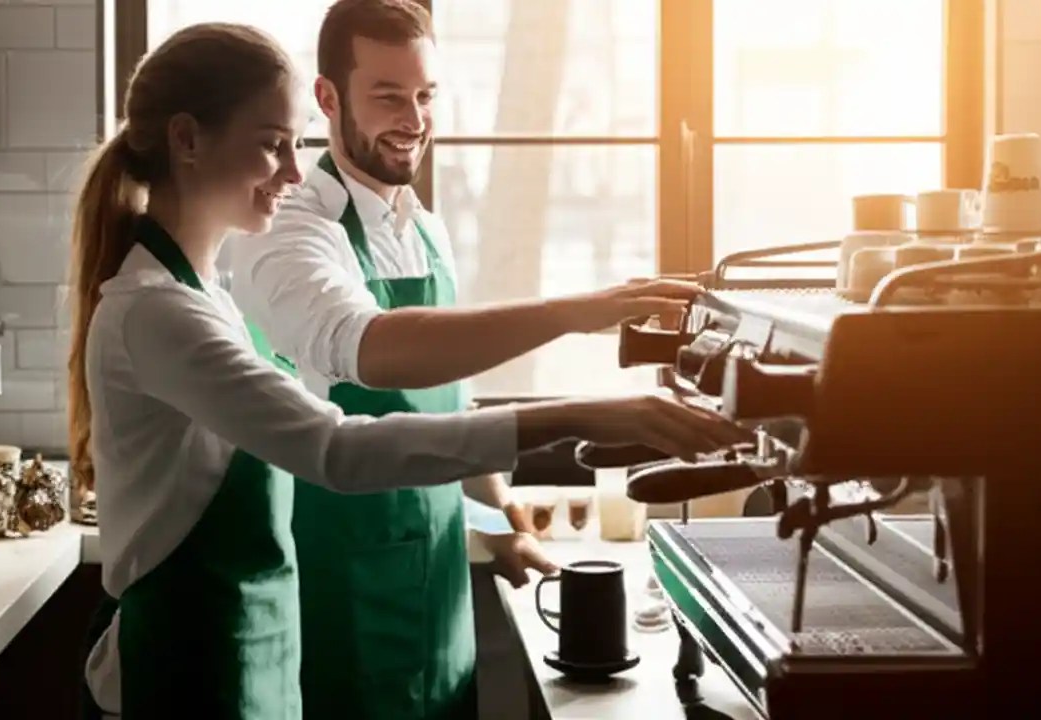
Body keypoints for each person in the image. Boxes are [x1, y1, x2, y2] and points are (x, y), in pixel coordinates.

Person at [71, 20, 744, 720]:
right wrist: (582, 402)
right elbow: (340, 433)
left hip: (275, 641)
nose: (293, 172)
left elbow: (437, 396)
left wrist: (496, 513)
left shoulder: (206, 293)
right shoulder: (166, 310)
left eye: (427, 94)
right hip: (206, 659)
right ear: (187, 140)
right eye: (273, 146)